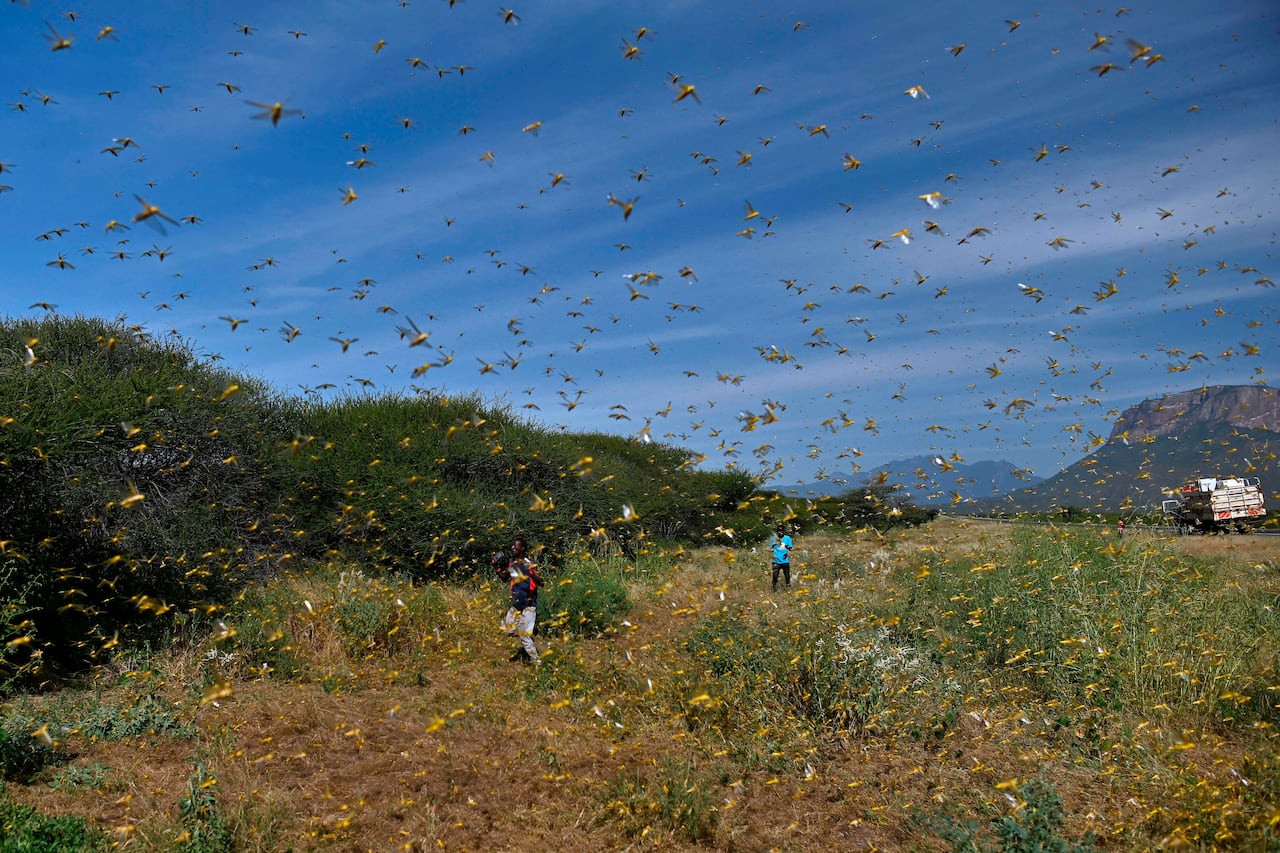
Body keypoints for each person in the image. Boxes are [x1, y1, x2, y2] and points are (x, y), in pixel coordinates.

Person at [492, 536, 541, 664]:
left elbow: (541, 582)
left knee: (524, 635)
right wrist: (496, 566)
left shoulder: (528, 562)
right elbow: (504, 577)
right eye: (512, 545)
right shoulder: (512, 562)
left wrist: (532, 574)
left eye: (516, 546)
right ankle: (526, 639)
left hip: (529, 605)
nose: (513, 547)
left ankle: (537, 662)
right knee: (508, 630)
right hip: (516, 605)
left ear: (522, 548)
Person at [768, 524, 793, 591]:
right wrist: (774, 544)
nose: (780, 532)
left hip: (785, 561)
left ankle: (788, 588)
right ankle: (773, 588)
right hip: (776, 561)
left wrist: (786, 546)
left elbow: (791, 548)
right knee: (775, 576)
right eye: (779, 530)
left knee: (787, 576)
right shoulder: (773, 539)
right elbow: (770, 548)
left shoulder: (787, 538)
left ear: (784, 531)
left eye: (781, 530)